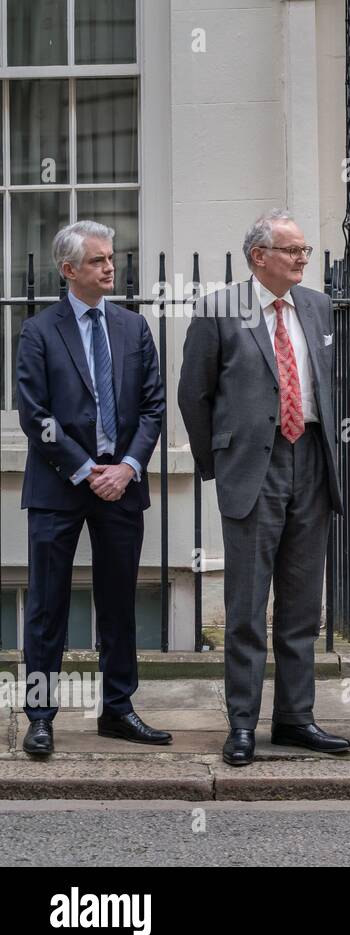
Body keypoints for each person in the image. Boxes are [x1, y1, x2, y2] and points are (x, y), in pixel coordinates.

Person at [180, 209, 350, 766]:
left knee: (302, 608)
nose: (304, 258)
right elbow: (193, 395)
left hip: (312, 462)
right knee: (247, 608)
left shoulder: (318, 306)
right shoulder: (219, 308)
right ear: (259, 256)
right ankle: (243, 723)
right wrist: (219, 464)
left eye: (305, 250)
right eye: (292, 250)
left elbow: (329, 384)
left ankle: (296, 718)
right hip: (254, 468)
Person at [15, 220, 169, 755]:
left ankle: (119, 710)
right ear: (69, 270)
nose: (111, 267)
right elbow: (35, 416)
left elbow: (153, 407)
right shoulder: (38, 331)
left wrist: (125, 468)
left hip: (121, 485)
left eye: (112, 258)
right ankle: (39, 715)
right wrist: (86, 470)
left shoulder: (133, 328)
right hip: (59, 486)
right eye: (100, 260)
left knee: (119, 601)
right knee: (47, 606)